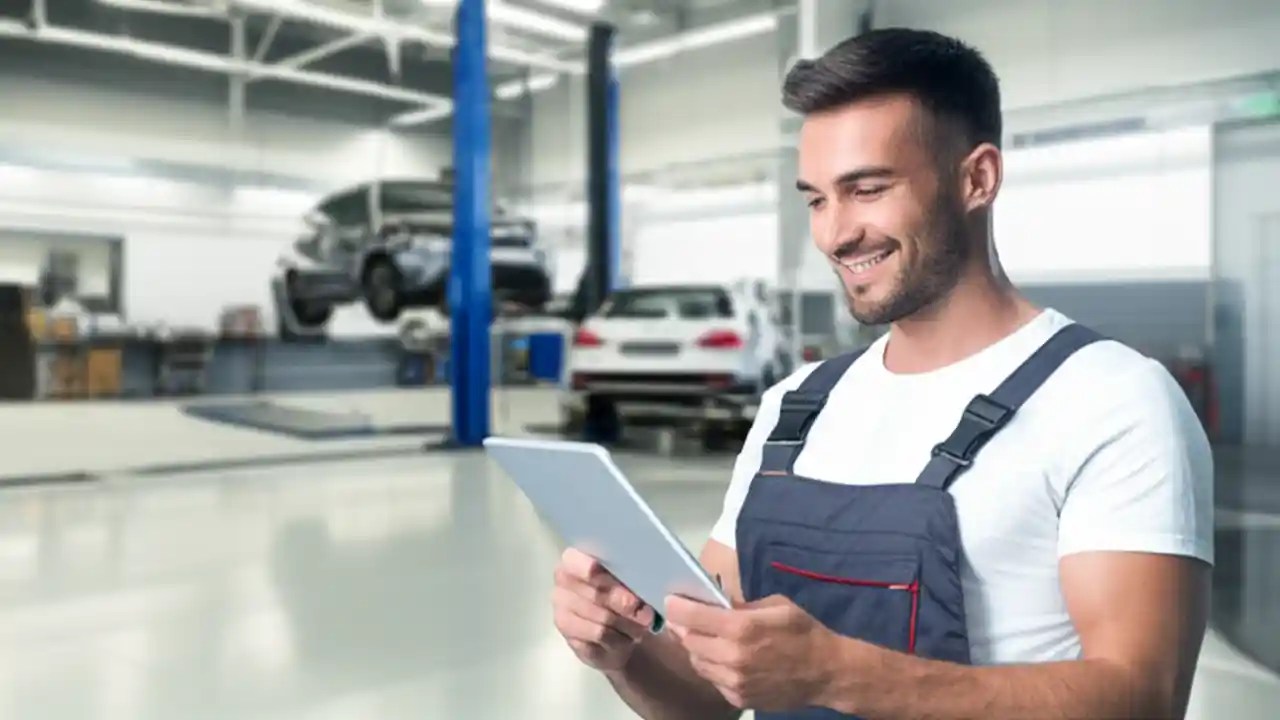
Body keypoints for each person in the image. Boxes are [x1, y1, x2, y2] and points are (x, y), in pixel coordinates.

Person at [550, 27, 1213, 720]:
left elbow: (1141, 697)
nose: (836, 234)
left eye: (866, 189)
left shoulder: (1110, 401)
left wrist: (838, 676)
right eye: (816, 199)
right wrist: (625, 652)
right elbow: (709, 693)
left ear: (977, 178)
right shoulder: (795, 408)